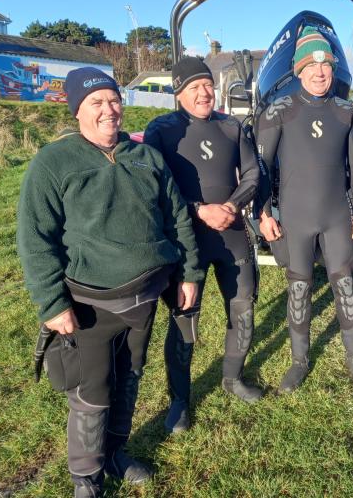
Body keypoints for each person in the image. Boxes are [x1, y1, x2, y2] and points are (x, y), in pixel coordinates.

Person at [18, 67, 202, 497]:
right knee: (92, 389)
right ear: (78, 109)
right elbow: (34, 237)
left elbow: (178, 220)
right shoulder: (54, 162)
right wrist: (52, 302)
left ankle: (117, 452)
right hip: (91, 303)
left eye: (114, 100)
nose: (109, 110)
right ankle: (87, 476)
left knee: (130, 377)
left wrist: (189, 271)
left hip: (145, 297)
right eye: (96, 103)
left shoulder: (145, 156)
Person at [144, 56, 263, 434]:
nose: (204, 93)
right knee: (185, 315)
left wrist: (230, 206)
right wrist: (199, 210)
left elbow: (253, 173)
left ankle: (233, 377)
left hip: (230, 231)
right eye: (194, 87)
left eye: (208, 85)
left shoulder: (231, 126)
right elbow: (155, 186)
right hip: (186, 238)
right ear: (179, 92)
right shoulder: (161, 130)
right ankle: (179, 400)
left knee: (243, 306)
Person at [256, 25, 353, 392]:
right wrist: (263, 214)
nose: (320, 74)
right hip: (296, 217)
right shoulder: (279, 112)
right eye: (311, 67)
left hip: (337, 216)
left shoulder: (346, 114)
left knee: (344, 284)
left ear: (333, 70)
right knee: (299, 288)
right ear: (299, 71)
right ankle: (299, 360)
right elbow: (261, 167)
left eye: (325, 68)